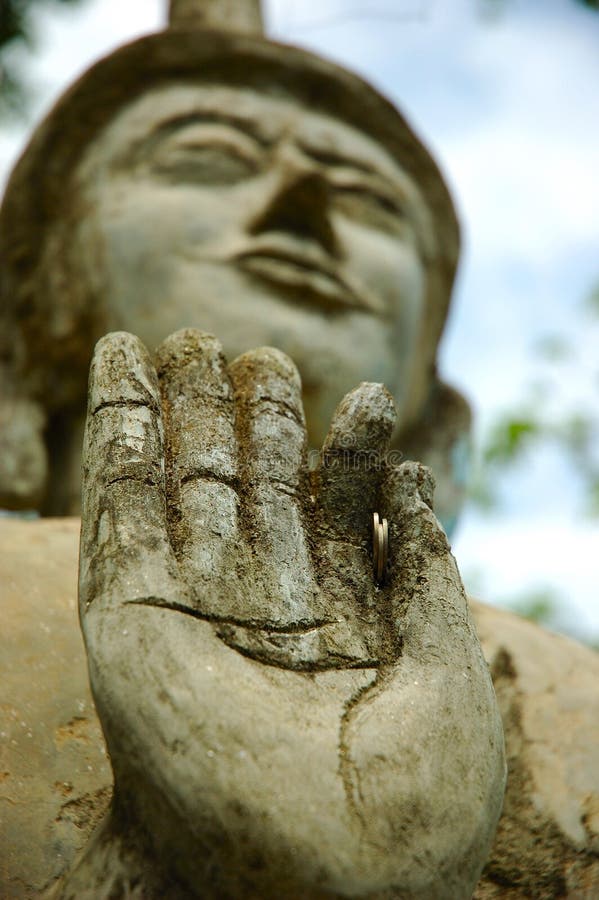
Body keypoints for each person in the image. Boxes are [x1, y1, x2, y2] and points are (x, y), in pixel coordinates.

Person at [0, 2, 597, 897]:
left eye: (370, 203)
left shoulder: (571, 703)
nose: (302, 201)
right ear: (30, 311)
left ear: (433, 398)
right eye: (206, 157)